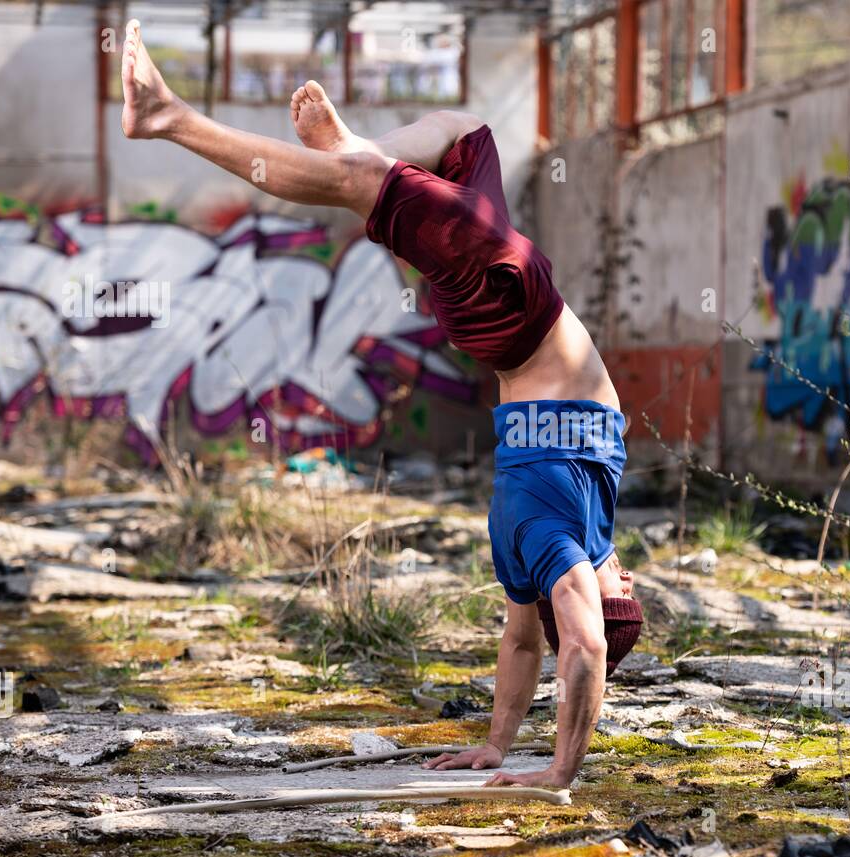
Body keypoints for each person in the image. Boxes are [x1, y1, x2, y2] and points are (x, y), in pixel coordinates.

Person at [121, 20, 641, 789]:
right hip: (504, 318)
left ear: (603, 598)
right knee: (468, 138)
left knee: (363, 183)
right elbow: (521, 645)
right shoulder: (553, 542)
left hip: (514, 305)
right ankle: (354, 148)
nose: (629, 575)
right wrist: (496, 746)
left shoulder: (562, 543)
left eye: (624, 591)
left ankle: (171, 119)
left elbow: (581, 649)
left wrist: (558, 771)